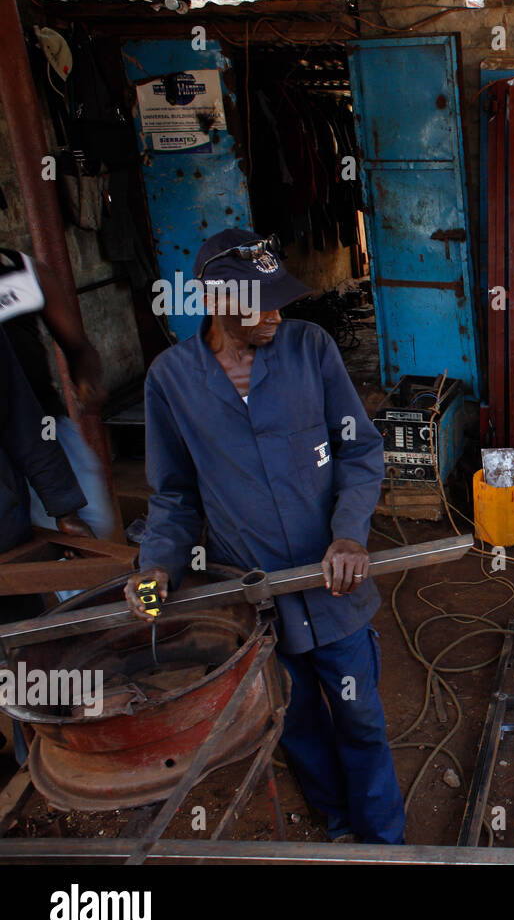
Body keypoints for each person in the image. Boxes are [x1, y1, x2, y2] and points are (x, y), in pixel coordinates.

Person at [123, 229, 404, 844]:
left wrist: (350, 535)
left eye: (279, 298)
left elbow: (359, 452)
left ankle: (384, 846)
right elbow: (173, 494)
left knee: (359, 717)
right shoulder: (172, 381)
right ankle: (337, 826)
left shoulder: (312, 350)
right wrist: (156, 566)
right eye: (258, 301)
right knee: (294, 718)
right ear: (213, 302)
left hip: (334, 588)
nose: (275, 312)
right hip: (256, 599)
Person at [0, 329, 93, 765]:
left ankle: (40, 753)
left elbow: (22, 417)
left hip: (2, 531)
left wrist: (64, 507)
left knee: (27, 649)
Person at [0, 248, 114, 539]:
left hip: (45, 424)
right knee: (33, 534)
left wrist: (87, 382)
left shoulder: (25, 272)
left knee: (92, 522)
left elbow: (78, 347)